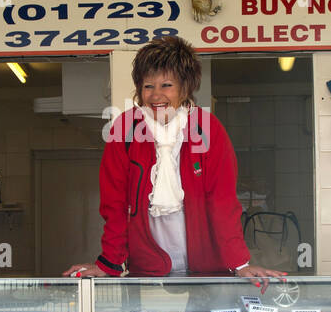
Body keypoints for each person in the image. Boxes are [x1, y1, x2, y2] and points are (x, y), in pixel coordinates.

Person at [64, 36, 287, 284]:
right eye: (148, 86)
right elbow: (114, 205)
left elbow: (223, 202)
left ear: (185, 88)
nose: (156, 95)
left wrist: (239, 263)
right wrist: (109, 262)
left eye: (166, 85)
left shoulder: (207, 129)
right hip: (146, 266)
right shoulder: (125, 129)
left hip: (206, 265)